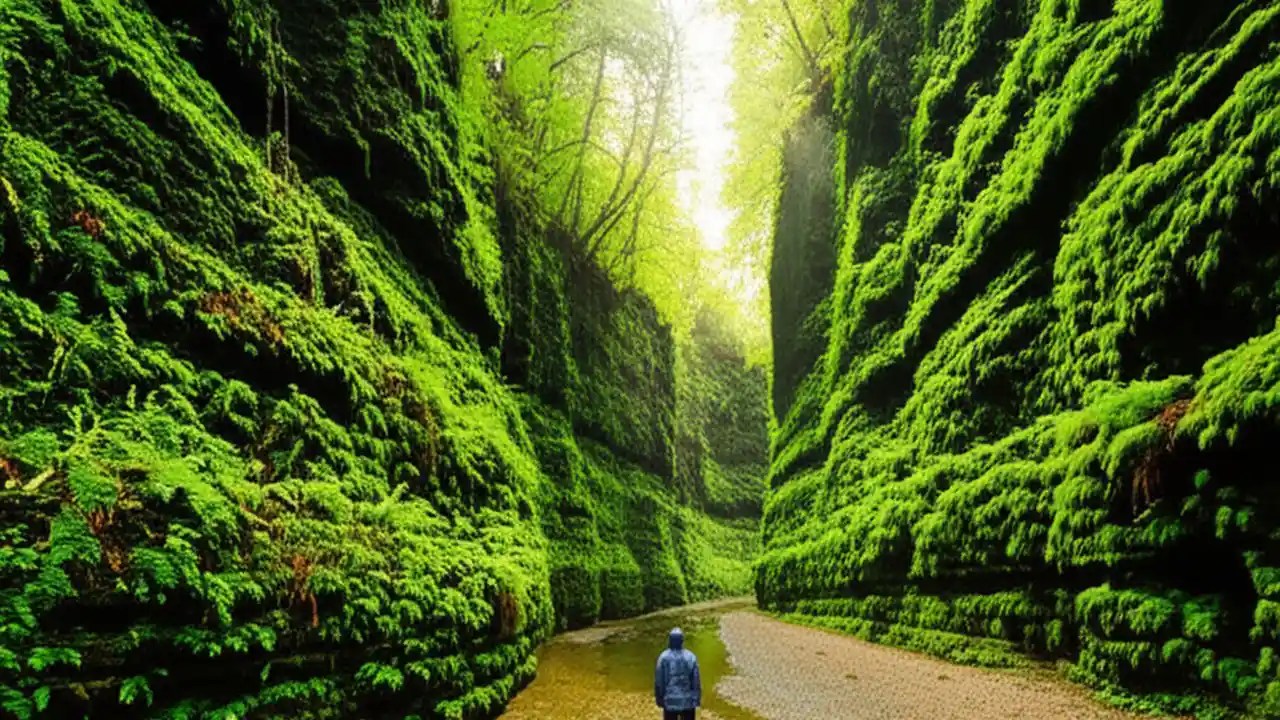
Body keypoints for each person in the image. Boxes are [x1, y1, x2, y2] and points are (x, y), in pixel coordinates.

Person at [654, 627, 701, 720]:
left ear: (670, 641)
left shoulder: (663, 658)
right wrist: (697, 699)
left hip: (670, 702)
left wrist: (659, 699)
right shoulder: (691, 657)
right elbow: (696, 681)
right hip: (688, 702)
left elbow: (659, 681)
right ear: (682, 641)